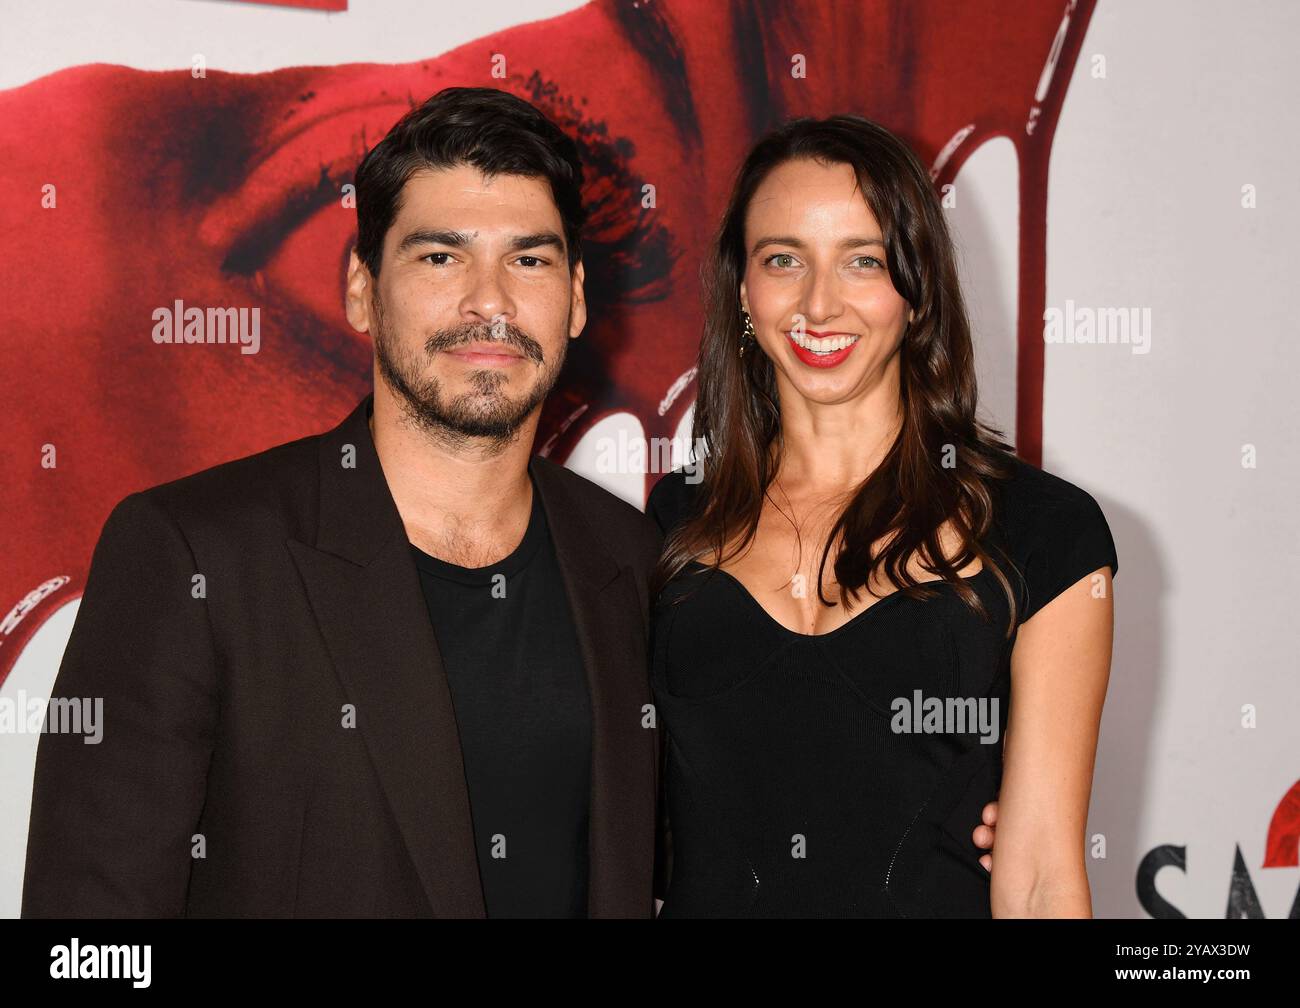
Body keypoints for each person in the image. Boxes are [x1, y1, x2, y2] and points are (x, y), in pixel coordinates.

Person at [21, 87, 665, 918]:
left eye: (529, 259)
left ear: (575, 297)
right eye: (441, 257)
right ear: (363, 290)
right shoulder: (193, 557)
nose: (490, 301)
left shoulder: (630, 559)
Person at [646, 114, 1116, 918]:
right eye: (783, 260)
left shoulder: (1047, 534)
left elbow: (1038, 882)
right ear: (742, 290)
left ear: (916, 287)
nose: (820, 304)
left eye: (862, 261)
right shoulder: (677, 518)